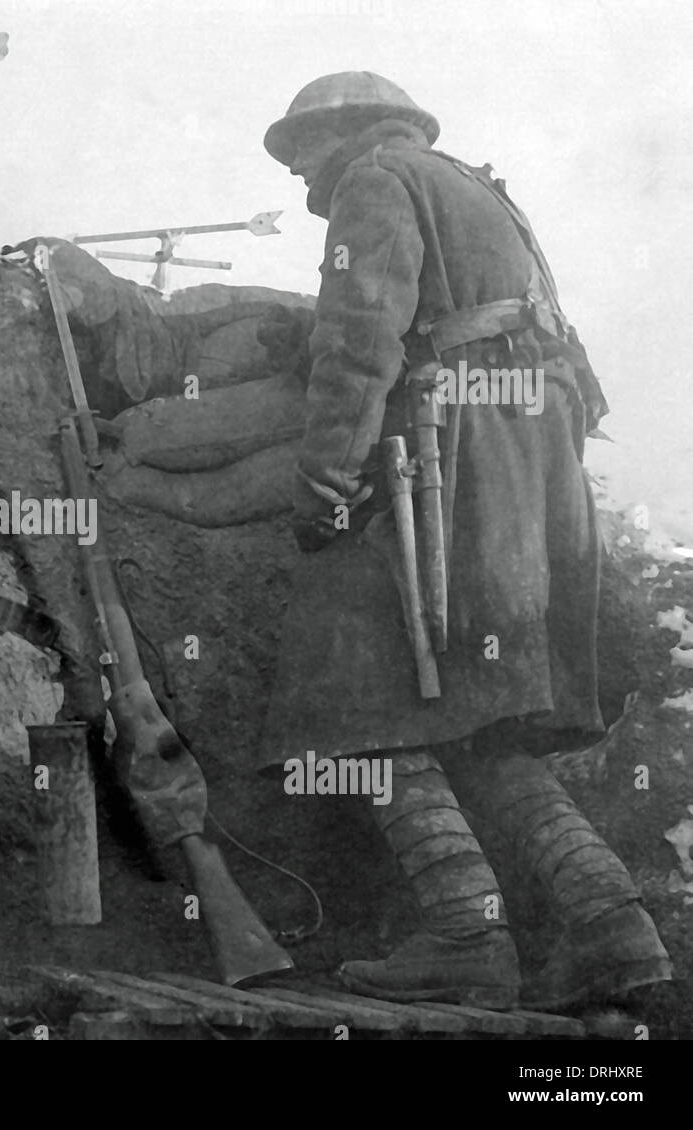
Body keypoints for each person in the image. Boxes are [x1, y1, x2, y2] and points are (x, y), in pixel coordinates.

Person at [255, 72, 671, 1010]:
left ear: (350, 132)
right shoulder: (484, 191)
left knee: (343, 682)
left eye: (303, 154)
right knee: (481, 718)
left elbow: (359, 335)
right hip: (534, 469)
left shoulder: (377, 179)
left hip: (459, 456)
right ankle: (611, 923)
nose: (302, 179)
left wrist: (327, 478)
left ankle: (464, 932)